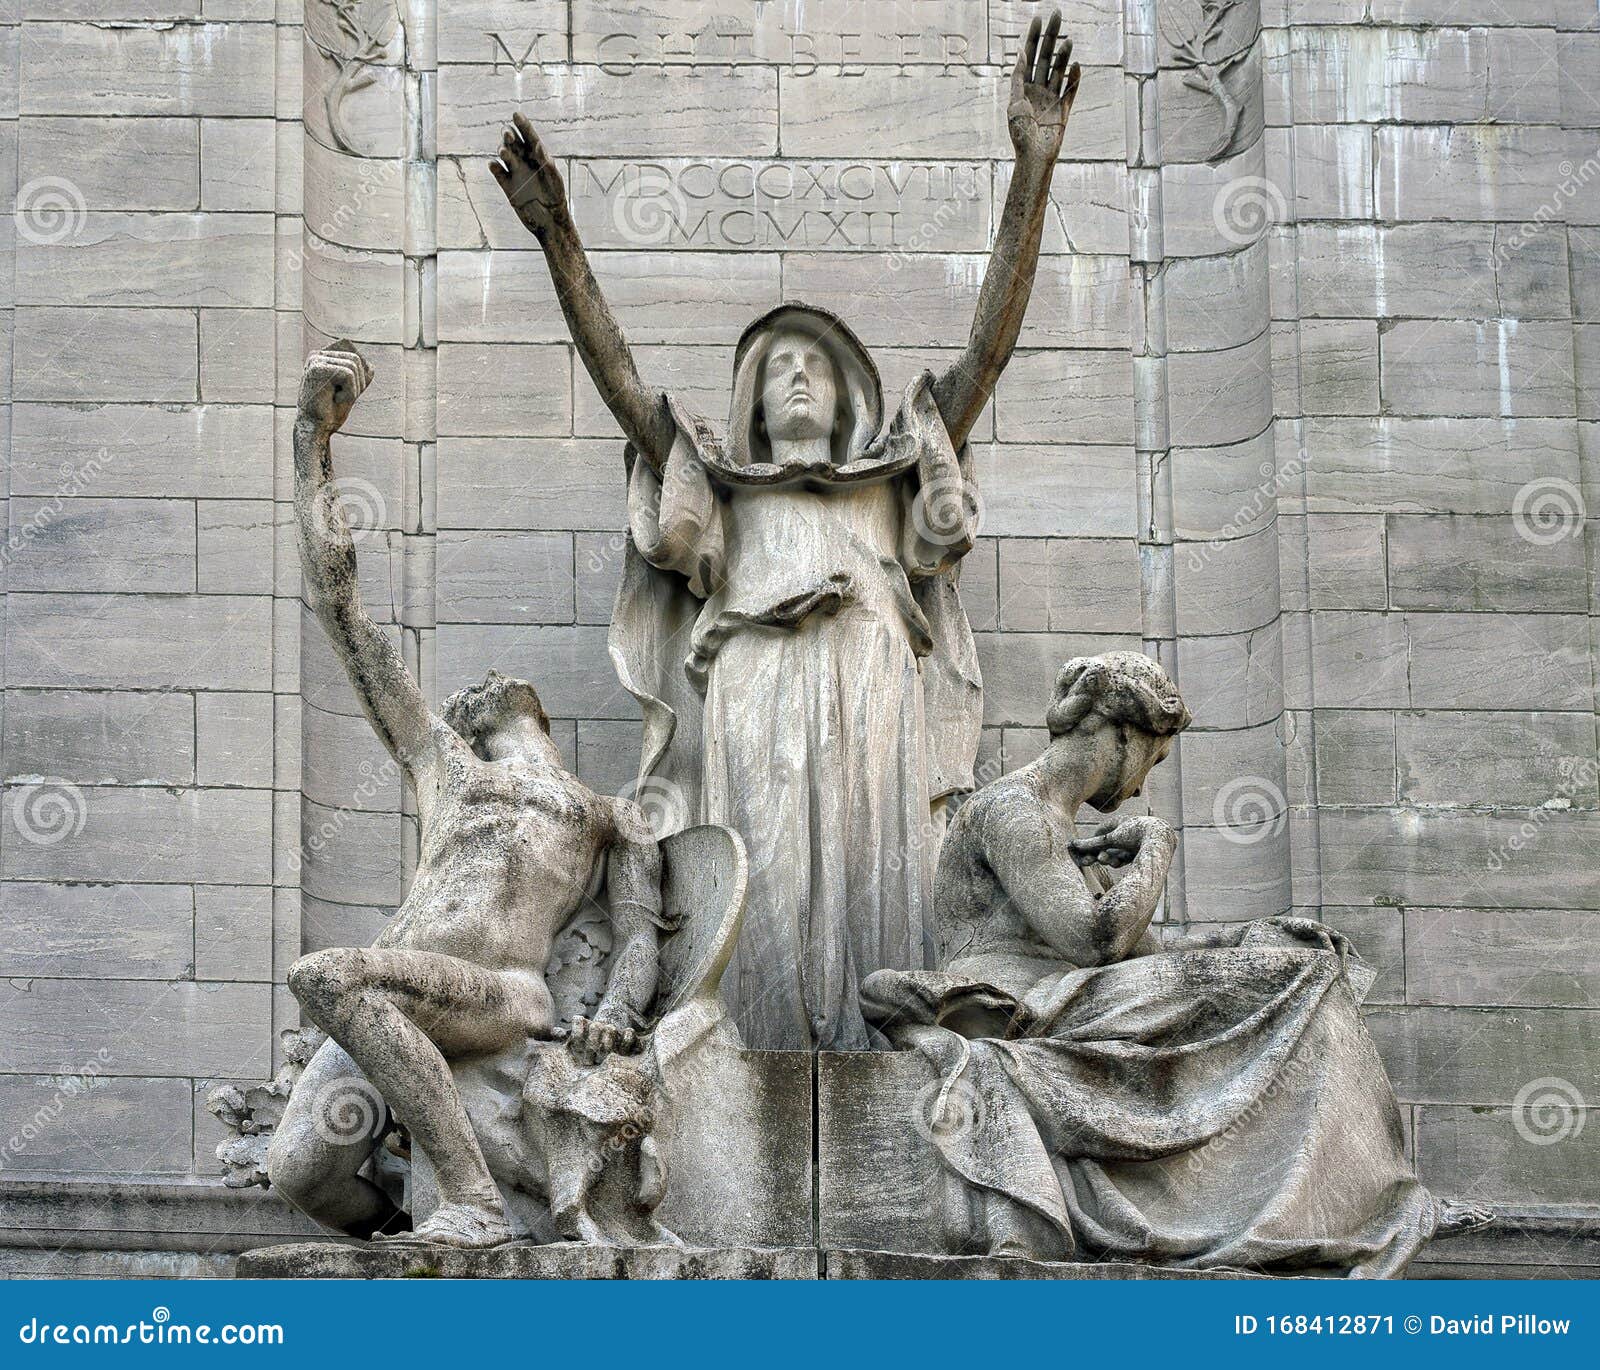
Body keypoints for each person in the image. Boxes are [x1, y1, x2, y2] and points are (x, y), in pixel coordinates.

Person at [490, 16, 1082, 1050]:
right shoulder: (722, 488)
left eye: (812, 362)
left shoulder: (890, 478)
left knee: (871, 859)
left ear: (848, 390)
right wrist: (557, 236)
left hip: (871, 675)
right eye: (776, 367)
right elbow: (626, 388)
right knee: (766, 862)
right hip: (754, 677)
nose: (796, 373)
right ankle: (750, 1061)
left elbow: (985, 354)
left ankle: (886, 1051)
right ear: (752, 402)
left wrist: (1032, 168)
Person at [862, 652, 1476, 1277]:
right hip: (1023, 997)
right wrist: (1157, 845)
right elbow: (1096, 940)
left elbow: (1145, 952)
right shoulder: (1012, 811)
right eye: (1152, 762)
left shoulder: (1068, 835)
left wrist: (1250, 939)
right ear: (1124, 735)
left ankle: (1324, 1210)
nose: (1141, 788)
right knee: (1296, 982)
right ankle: (1322, 1213)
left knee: (1303, 970)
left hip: (1080, 990)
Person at [269, 342, 664, 1249]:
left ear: (539, 717)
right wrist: (311, 445)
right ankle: (418, 1246)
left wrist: (610, 1016)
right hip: (394, 994)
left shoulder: (609, 814)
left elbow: (639, 935)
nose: (486, 686)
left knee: (327, 972)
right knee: (302, 1177)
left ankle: (475, 1199)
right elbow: (345, 615)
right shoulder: (447, 764)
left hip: (493, 992)